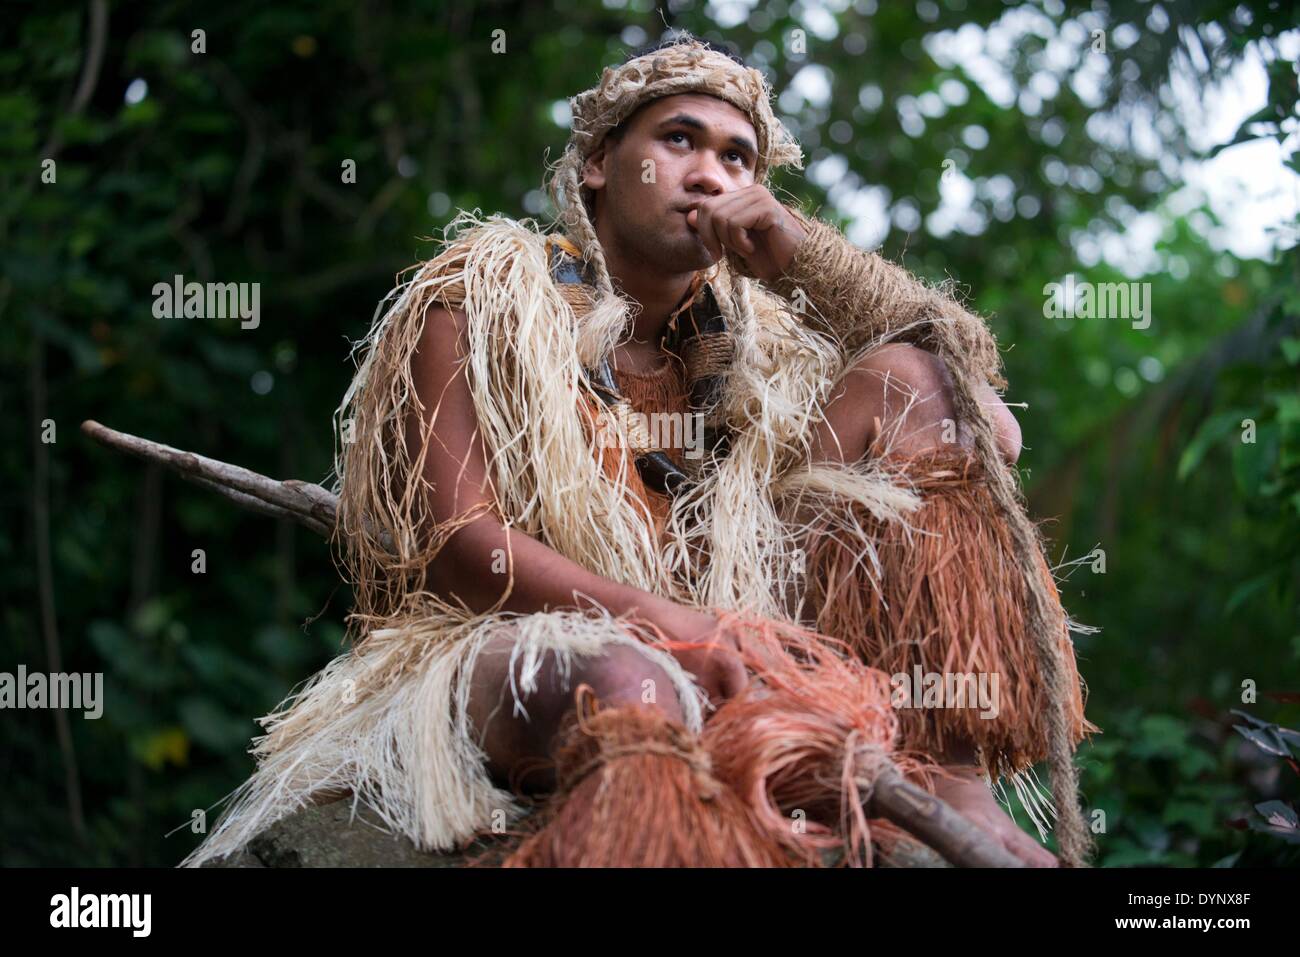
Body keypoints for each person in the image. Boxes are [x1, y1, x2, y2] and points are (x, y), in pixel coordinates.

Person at [181, 34, 1094, 870]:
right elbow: (459, 548)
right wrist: (672, 625)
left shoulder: (765, 341)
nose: (709, 173)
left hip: (746, 624)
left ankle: (951, 780)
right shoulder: (481, 295)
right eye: (680, 140)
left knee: (913, 375)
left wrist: (800, 258)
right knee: (631, 682)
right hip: (508, 642)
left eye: (737, 158)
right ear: (594, 167)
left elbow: (988, 419)